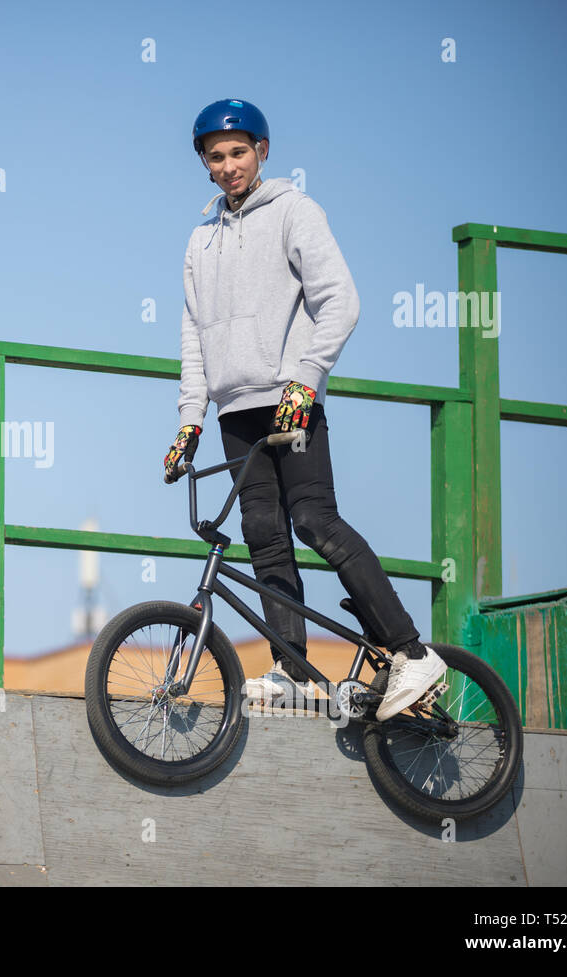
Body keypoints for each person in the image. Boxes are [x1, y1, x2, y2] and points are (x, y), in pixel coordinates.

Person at [162, 98, 444, 721]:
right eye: (217, 157)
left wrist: (306, 380)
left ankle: (411, 652)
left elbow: (341, 301)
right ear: (204, 165)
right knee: (264, 536)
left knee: (313, 521)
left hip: (292, 401)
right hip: (236, 411)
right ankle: (291, 670)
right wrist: (190, 417)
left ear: (262, 151)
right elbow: (193, 332)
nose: (229, 165)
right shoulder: (199, 240)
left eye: (240, 152)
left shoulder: (295, 211)